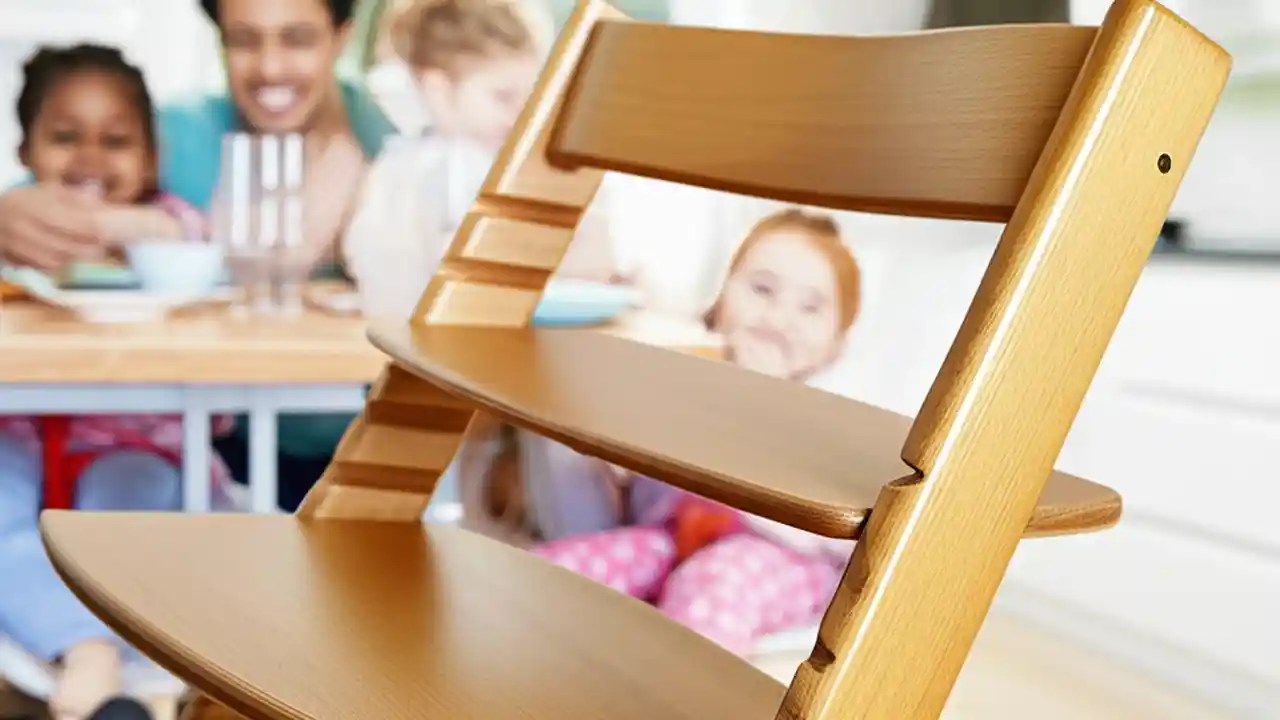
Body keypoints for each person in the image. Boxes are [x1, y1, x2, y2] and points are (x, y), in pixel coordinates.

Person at [472, 208, 862, 657]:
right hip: (676, 544)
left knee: (713, 583)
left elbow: (846, 540)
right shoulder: (687, 397)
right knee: (559, 571)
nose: (779, 316)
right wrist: (623, 462)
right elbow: (654, 505)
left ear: (836, 345)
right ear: (719, 304)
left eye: (810, 307)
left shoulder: (826, 423)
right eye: (762, 289)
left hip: (786, 565)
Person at [0, 45, 239, 720]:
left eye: (117, 140)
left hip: (140, 444)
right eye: (65, 137)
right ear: (25, 149)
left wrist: (113, 228)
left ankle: (120, 661)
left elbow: (190, 243)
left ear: (152, 159)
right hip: (19, 434)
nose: (91, 160)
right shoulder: (10, 224)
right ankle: (88, 654)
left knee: (120, 514)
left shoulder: (170, 226)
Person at [341, 0, 619, 321]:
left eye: (530, 95)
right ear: (438, 90)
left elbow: (598, 259)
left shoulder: (531, 166)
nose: (520, 111)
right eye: (502, 96)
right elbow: (387, 277)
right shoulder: (405, 174)